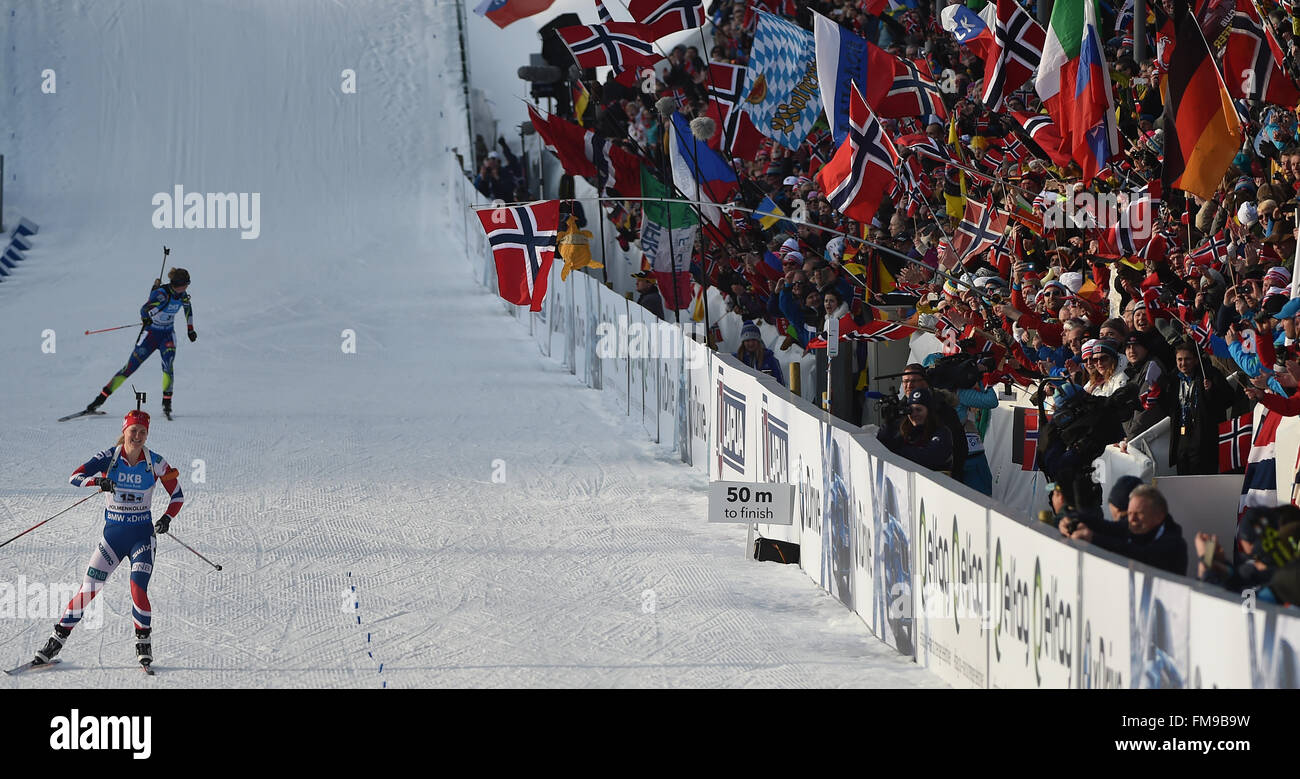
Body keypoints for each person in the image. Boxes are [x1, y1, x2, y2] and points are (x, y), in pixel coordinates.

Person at [32, 410, 184, 669]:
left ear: (147, 434)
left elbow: (178, 495)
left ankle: (143, 645)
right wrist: (98, 481)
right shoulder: (109, 457)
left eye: (142, 432)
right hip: (113, 538)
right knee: (89, 588)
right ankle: (56, 640)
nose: (137, 436)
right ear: (124, 431)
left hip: (142, 538)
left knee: (137, 588)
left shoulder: (155, 462)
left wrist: (166, 518)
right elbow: (74, 477)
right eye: (133, 430)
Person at [84, 268, 196, 419]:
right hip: (150, 335)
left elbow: (188, 310)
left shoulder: (182, 296)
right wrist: (146, 318)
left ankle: (167, 404)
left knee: (168, 367)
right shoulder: (162, 294)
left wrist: (190, 330)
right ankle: (98, 401)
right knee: (129, 368)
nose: (186, 288)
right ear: (177, 284)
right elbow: (144, 309)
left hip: (167, 336)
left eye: (187, 284)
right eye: (185, 284)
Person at [1059, 484, 1187, 575]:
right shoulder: (1134, 526)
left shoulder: (1173, 543)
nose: (1132, 519)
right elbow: (1105, 527)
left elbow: (1140, 555)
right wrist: (1071, 518)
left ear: (1159, 516)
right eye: (1130, 513)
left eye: (1138, 514)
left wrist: (1093, 538)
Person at [900, 364, 967, 480]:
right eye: (905, 381)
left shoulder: (943, 409)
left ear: (925, 382)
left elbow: (960, 447)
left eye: (914, 381)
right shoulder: (900, 410)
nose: (909, 386)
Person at [877, 387, 953, 472]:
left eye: (919, 410)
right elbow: (880, 447)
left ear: (929, 411)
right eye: (910, 410)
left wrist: (897, 451)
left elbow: (929, 458)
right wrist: (888, 424)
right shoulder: (904, 428)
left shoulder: (942, 432)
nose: (914, 414)